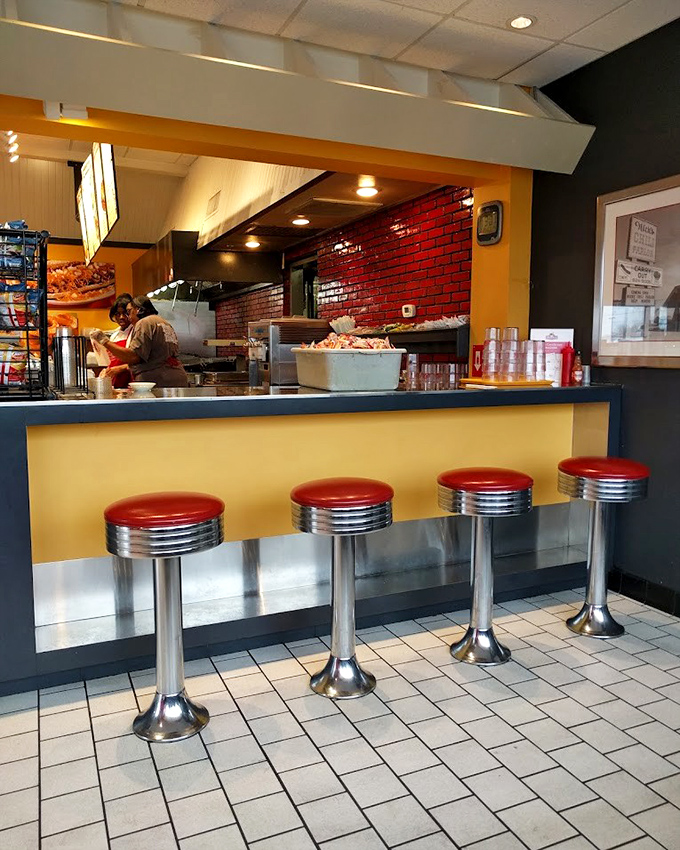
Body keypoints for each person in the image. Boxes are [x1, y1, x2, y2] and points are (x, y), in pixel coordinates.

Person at [90, 296, 188, 388]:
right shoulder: (164, 323)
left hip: (158, 380)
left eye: (129, 312)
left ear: (138, 310)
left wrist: (104, 341)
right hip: (176, 377)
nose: (128, 317)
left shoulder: (144, 322)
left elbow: (133, 356)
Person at [100, 294, 133, 389]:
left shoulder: (135, 332)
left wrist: (120, 368)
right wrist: (107, 371)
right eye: (118, 314)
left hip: (130, 382)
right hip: (116, 383)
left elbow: (140, 362)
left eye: (125, 313)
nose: (121, 317)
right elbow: (111, 361)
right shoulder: (114, 335)